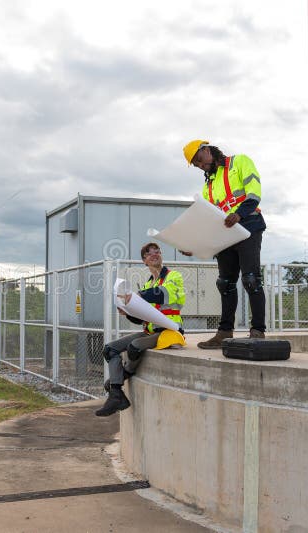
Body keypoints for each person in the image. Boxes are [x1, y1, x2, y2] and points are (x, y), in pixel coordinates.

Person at [181, 139, 266, 349]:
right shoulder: (207, 187)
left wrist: (238, 214)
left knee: (251, 279)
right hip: (226, 234)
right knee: (225, 284)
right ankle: (224, 332)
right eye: (196, 165)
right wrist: (195, 245)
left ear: (207, 150)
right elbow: (210, 221)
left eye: (200, 160)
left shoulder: (240, 162)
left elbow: (254, 194)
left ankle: (257, 331)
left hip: (248, 226)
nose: (201, 166)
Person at [95, 242, 185, 417]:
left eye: (157, 251)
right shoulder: (146, 285)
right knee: (110, 349)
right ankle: (116, 393)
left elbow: (165, 293)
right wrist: (127, 311)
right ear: (144, 261)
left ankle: (119, 379)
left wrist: (137, 297)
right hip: (150, 331)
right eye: (149, 253)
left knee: (134, 346)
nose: (154, 254)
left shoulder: (174, 276)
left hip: (169, 331)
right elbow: (140, 318)